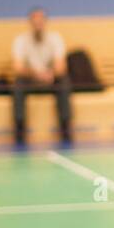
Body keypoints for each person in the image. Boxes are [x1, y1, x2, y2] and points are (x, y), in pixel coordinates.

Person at [11, 8, 72, 146]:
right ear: (30, 22)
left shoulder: (55, 38)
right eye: (35, 20)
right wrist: (35, 74)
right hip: (30, 79)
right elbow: (18, 68)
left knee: (64, 82)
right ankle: (20, 130)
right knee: (17, 85)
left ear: (45, 22)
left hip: (51, 79)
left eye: (41, 20)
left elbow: (61, 67)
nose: (38, 23)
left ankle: (65, 128)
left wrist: (50, 73)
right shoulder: (21, 40)